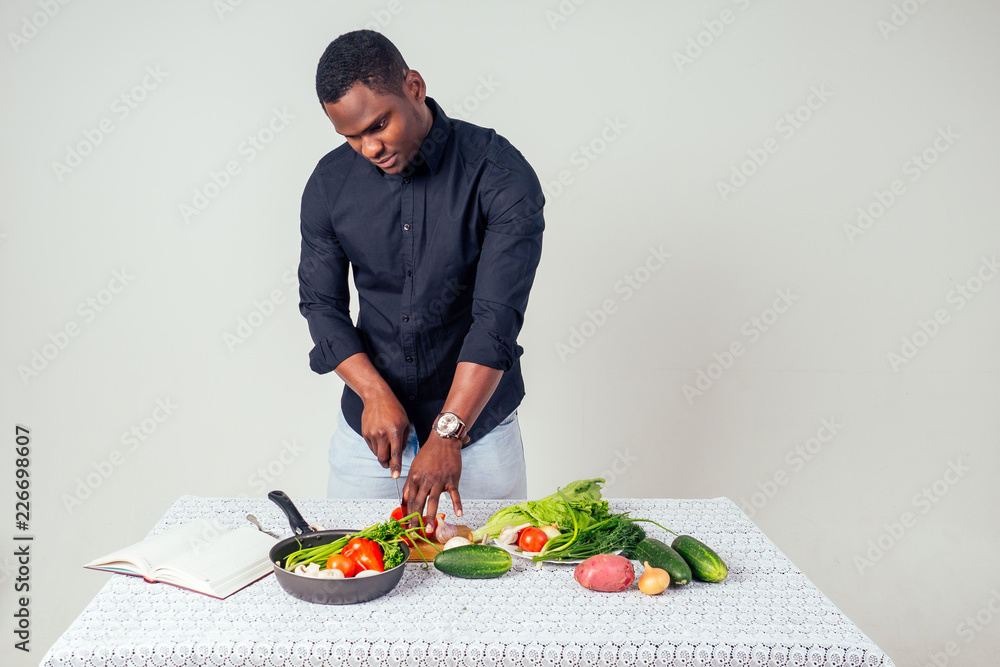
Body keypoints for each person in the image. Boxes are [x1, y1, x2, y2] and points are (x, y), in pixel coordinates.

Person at [298, 30, 544, 527]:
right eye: (350, 137)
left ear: (413, 86)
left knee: (495, 582)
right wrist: (373, 393)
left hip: (478, 436)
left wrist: (448, 433)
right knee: (354, 580)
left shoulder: (499, 174)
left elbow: (496, 320)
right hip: (372, 438)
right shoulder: (329, 185)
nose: (368, 148)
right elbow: (322, 306)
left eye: (378, 125)